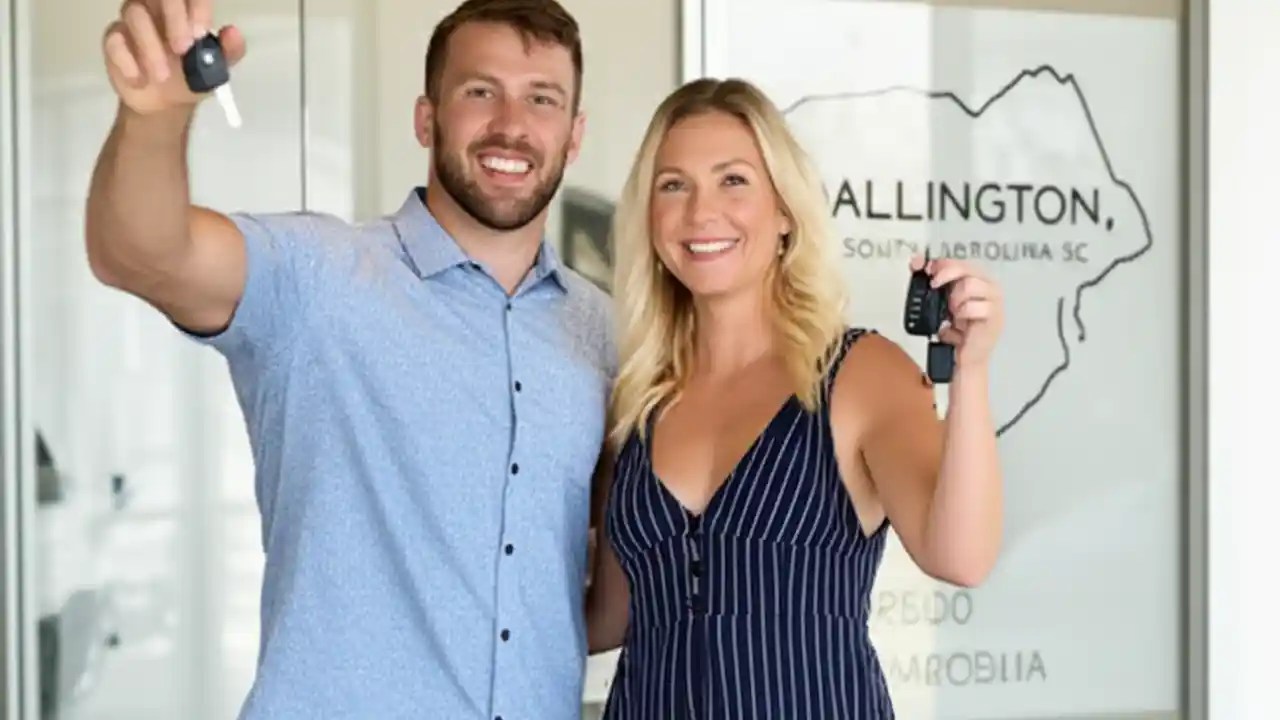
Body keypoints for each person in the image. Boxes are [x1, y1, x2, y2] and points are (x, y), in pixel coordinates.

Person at [86, 0, 612, 718]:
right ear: (427, 118)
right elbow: (144, 253)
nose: (511, 126)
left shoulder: (603, 334)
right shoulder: (318, 279)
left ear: (574, 134)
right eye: (479, 91)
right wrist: (154, 119)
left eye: (542, 99)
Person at [585, 77, 1005, 718]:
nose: (701, 213)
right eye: (673, 185)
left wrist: (970, 373)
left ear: (784, 211)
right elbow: (608, 617)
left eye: (733, 181)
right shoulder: (636, 400)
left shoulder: (860, 374)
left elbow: (961, 557)